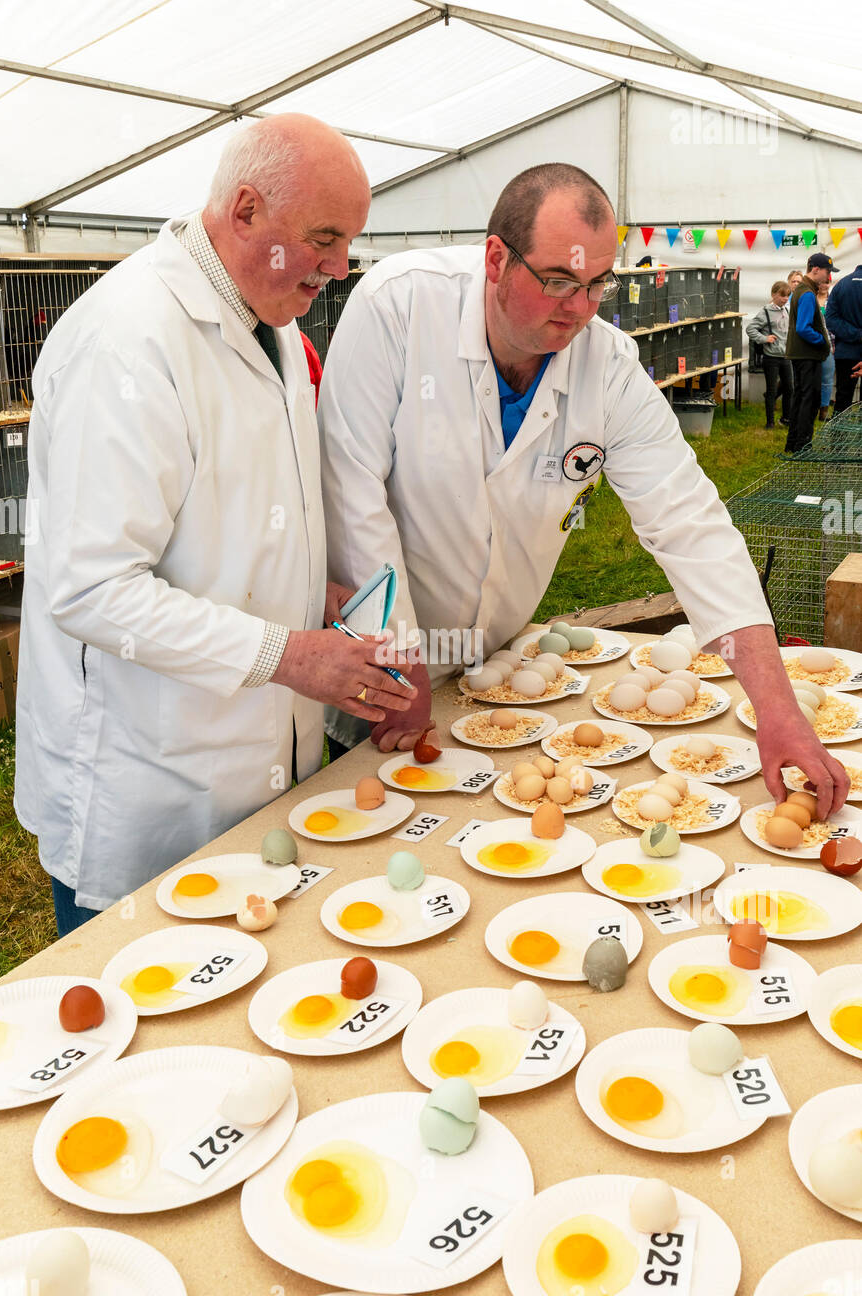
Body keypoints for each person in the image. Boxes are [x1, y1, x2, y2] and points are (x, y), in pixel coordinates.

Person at [319, 164, 849, 816]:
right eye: (559, 281)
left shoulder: (607, 366)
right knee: (367, 812)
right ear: (495, 259)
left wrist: (775, 707)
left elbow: (691, 525)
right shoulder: (398, 307)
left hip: (493, 657)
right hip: (377, 655)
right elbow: (351, 494)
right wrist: (400, 664)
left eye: (599, 283)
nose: (581, 308)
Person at [14, 114, 415, 935]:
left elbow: (251, 518)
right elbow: (92, 589)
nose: (341, 268)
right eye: (325, 238)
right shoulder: (128, 342)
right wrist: (289, 653)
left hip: (262, 771)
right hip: (153, 785)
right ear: (244, 213)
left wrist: (322, 594)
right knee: (146, 1032)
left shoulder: (271, 322)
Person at [784, 252, 835, 453]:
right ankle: (803, 445)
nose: (828, 276)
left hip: (801, 354)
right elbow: (803, 328)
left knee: (800, 398)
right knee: (809, 399)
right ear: (815, 269)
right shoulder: (806, 293)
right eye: (827, 271)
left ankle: (793, 443)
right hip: (806, 355)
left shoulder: (804, 290)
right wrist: (822, 341)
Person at [746, 281, 792, 428]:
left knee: (789, 388)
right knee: (771, 390)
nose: (785, 299)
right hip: (771, 357)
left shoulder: (788, 311)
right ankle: (770, 422)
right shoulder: (766, 311)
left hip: (786, 356)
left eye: (787, 296)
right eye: (782, 295)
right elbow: (750, 329)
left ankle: (786, 418)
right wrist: (764, 339)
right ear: (773, 294)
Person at [825, 259, 862, 415]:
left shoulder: (841, 285)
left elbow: (831, 319)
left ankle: (839, 437)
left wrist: (855, 334)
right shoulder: (841, 285)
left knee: (843, 399)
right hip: (848, 350)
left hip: (846, 351)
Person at [817, 281, 836, 420]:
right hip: (811, 344)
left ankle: (823, 410)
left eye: (827, 282)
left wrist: (834, 343)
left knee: (827, 378)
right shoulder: (810, 297)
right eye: (823, 282)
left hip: (829, 343)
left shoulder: (833, 299)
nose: (825, 285)